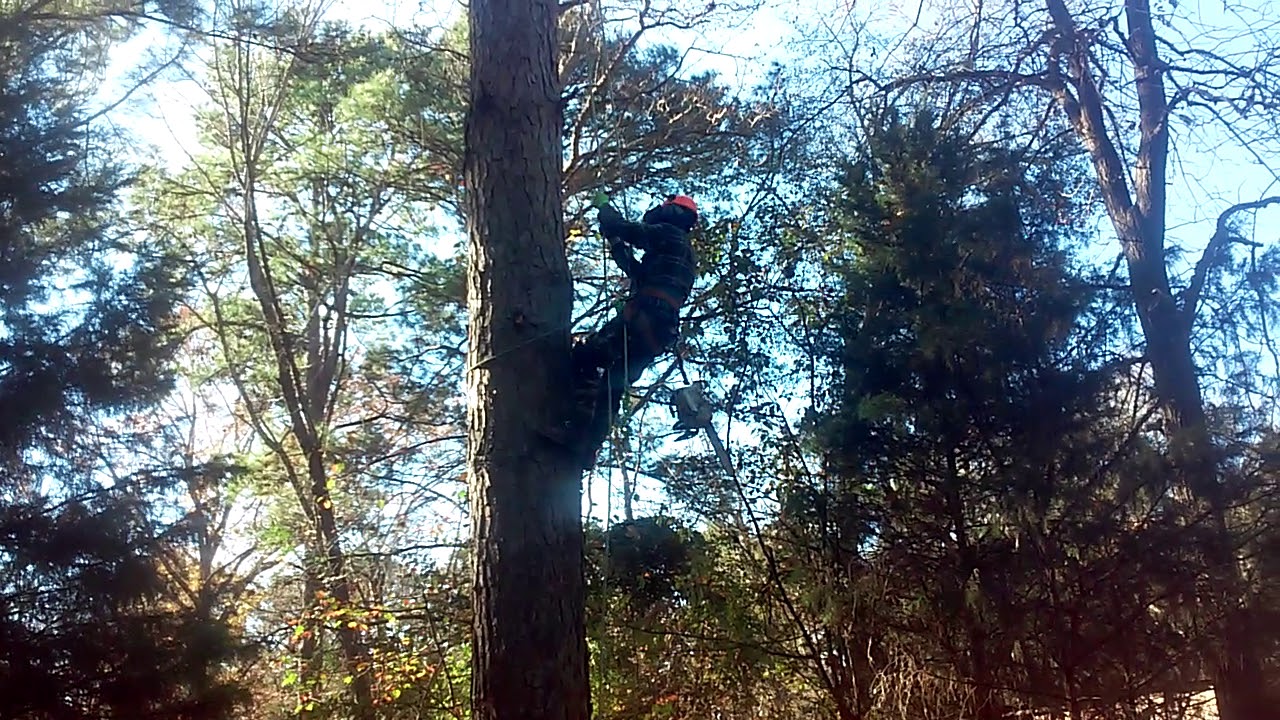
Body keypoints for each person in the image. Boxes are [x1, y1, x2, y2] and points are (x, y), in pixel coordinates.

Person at [564, 193, 699, 467]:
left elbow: (629, 230)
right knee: (612, 387)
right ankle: (586, 449)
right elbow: (635, 271)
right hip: (658, 331)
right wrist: (614, 242)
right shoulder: (677, 252)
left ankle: (571, 425)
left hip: (644, 316)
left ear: (673, 213)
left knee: (583, 359)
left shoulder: (669, 234)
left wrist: (606, 210)